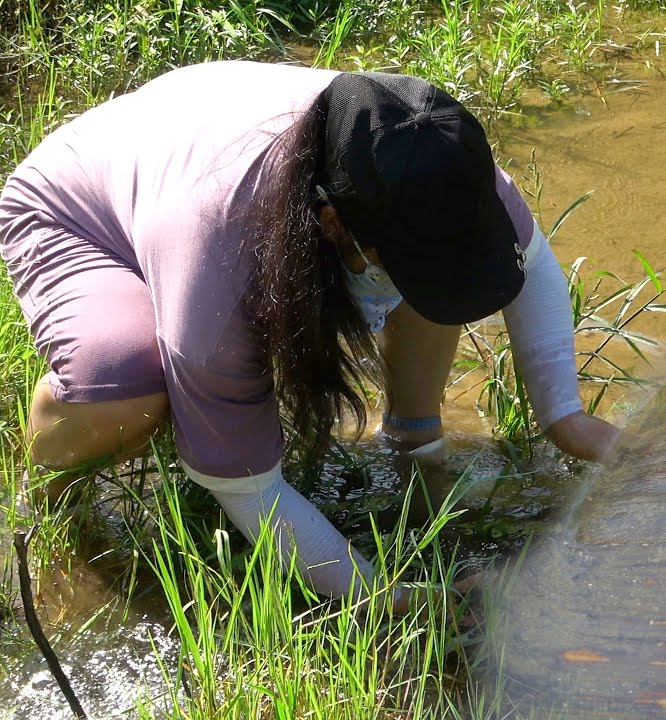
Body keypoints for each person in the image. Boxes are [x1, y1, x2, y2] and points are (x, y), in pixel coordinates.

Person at [0, 61, 621, 613]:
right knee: (126, 381)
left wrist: (567, 418)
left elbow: (531, 265)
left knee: (435, 272)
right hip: (77, 207)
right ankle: (48, 494)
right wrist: (381, 595)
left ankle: (414, 443)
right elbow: (248, 488)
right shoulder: (217, 278)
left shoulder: (438, 164)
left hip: (197, 134)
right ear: (330, 223)